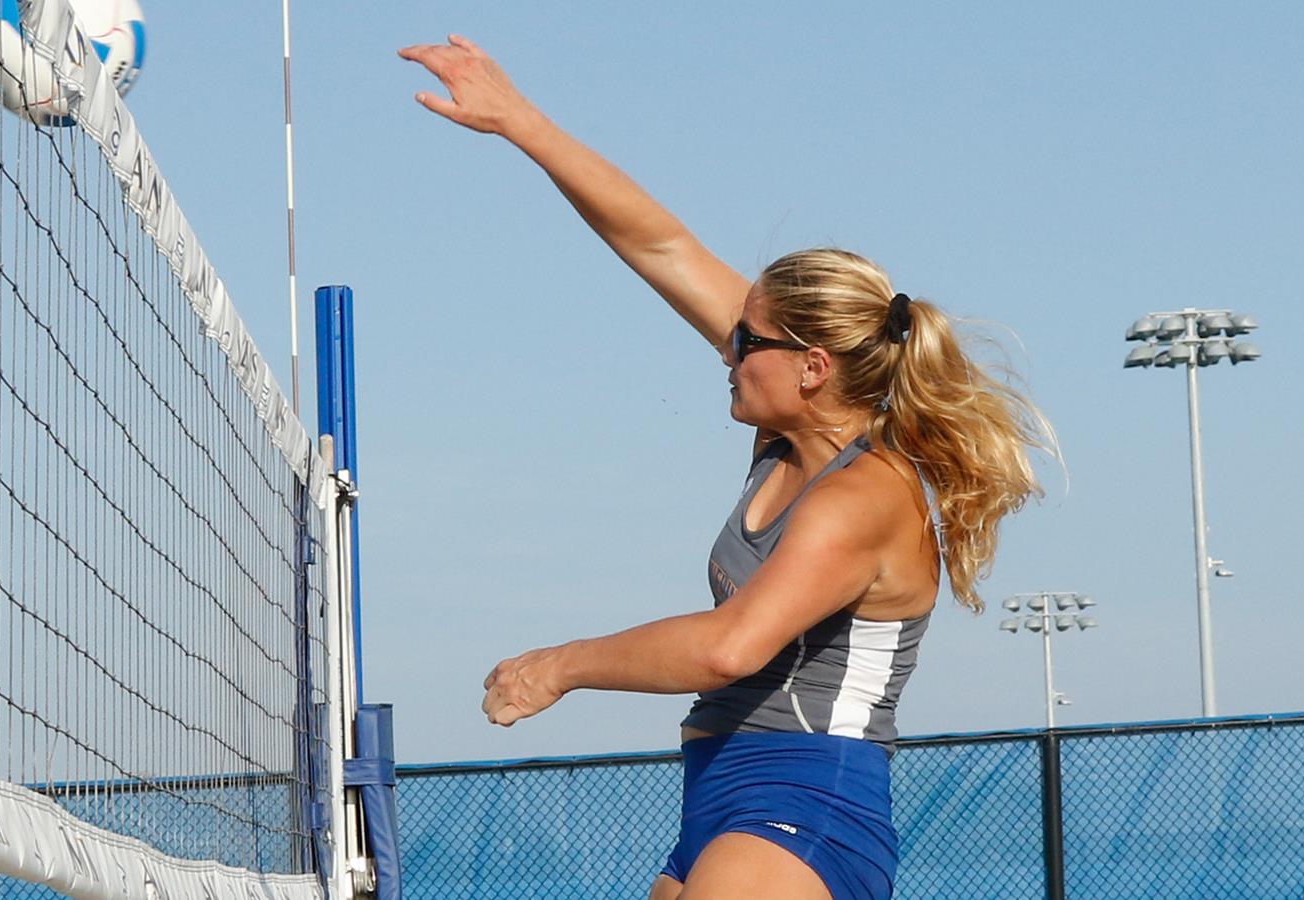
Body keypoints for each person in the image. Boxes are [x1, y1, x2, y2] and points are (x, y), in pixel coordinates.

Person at [399, 34, 1050, 900]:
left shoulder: (865, 494)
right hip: (719, 793)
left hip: (806, 806)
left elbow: (729, 649)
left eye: (748, 341)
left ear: (812, 366)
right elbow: (662, 247)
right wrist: (521, 122)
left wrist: (561, 664)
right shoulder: (783, 437)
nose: (728, 350)